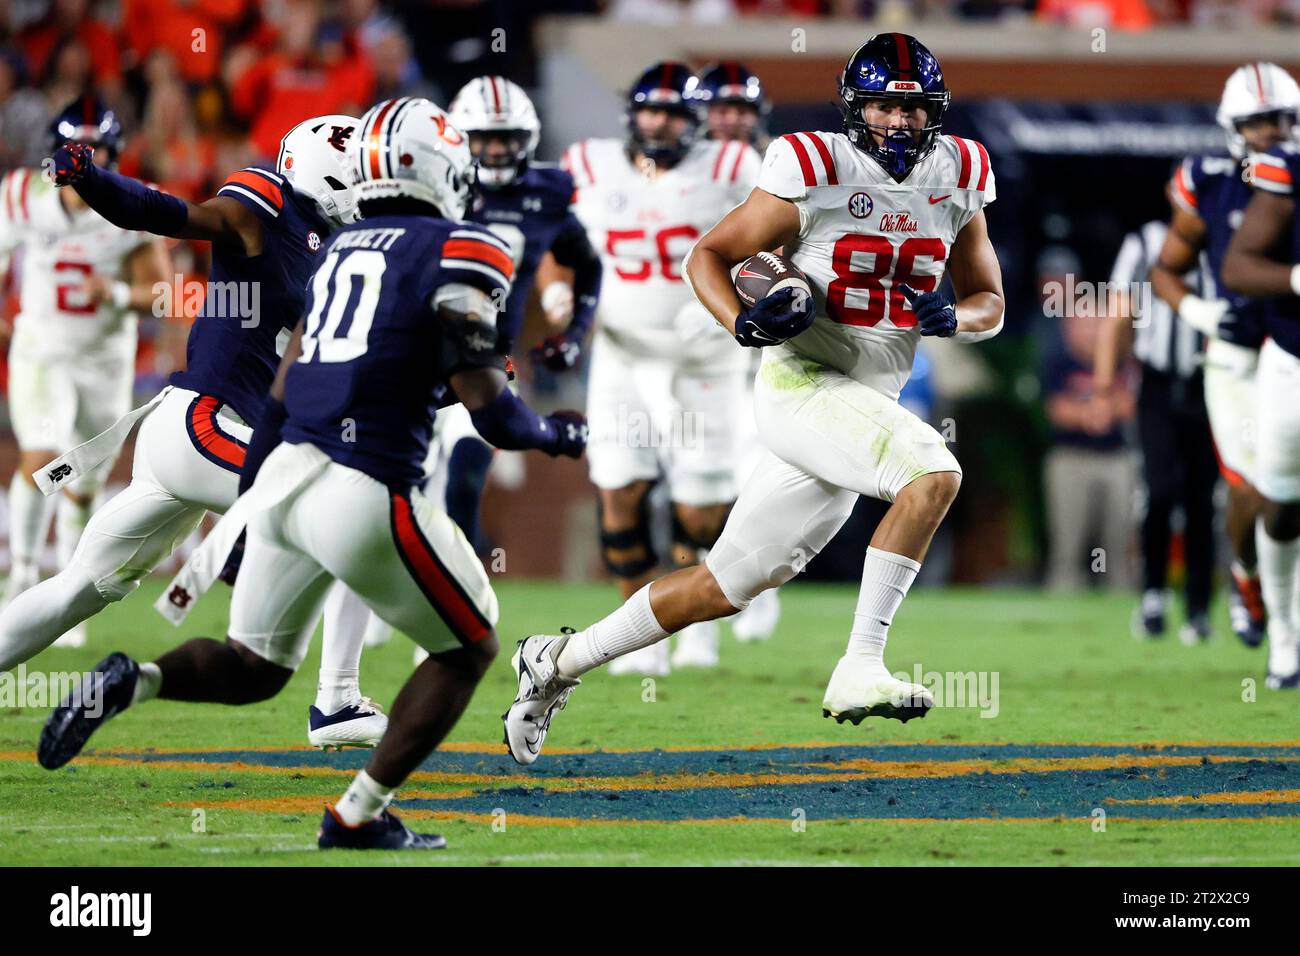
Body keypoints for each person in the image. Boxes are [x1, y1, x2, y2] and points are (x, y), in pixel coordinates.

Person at [38, 98, 588, 852]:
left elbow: (282, 388)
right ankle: (353, 792)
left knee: (247, 662)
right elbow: (489, 408)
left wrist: (258, 499)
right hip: (319, 464)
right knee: (470, 647)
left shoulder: (340, 251)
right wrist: (556, 433)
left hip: (276, 454)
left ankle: (139, 678)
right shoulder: (449, 245)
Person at [503, 33, 1005, 764]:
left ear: (935, 113)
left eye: (912, 110)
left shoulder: (961, 171)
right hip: (802, 383)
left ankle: (554, 662)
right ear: (853, 108)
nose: (898, 124)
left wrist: (957, 318)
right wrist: (739, 320)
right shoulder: (814, 164)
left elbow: (990, 298)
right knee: (934, 474)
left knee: (724, 584)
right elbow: (707, 253)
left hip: (863, 401)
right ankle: (860, 664)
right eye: (882, 107)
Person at [0, 114, 388, 749]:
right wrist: (94, 179)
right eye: (360, 175)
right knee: (355, 512)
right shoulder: (268, 203)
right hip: (204, 421)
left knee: (77, 590)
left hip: (195, 438)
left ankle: (254, 649)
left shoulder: (336, 244)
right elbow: (170, 213)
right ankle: (337, 701)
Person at [563, 61, 761, 673]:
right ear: (632, 111)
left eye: (675, 113)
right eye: (652, 109)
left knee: (700, 508)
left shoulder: (732, 168)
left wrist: (736, 298)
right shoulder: (588, 164)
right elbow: (554, 243)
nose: (660, 122)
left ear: (696, 123)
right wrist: (557, 300)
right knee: (618, 489)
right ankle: (634, 638)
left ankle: (693, 623)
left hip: (705, 354)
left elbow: (775, 243)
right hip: (623, 352)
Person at [0, 97, 172, 648]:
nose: (85, 165)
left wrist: (119, 292)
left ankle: (66, 596)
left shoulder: (132, 210)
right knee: (41, 456)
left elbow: (167, 295)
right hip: (42, 350)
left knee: (82, 482)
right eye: (77, 152)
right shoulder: (24, 197)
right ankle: (23, 573)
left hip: (104, 360)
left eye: (97, 153)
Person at [1151, 62, 1300, 648]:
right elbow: (1166, 269)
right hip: (1238, 353)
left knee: (1285, 490)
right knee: (1247, 489)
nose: (1274, 132)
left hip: (1287, 351)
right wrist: (1202, 313)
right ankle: (1245, 575)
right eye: (1259, 122)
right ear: (1234, 128)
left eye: (1284, 119)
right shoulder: (1211, 181)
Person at [1096, 217, 1215, 640]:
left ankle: (1199, 608)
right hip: (1157, 386)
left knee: (1202, 499)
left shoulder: (1221, 237)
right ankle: (1153, 596)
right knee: (1159, 491)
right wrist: (1105, 380)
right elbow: (1119, 311)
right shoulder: (1144, 243)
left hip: (1210, 383)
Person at [694, 60, 780, 643]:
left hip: (763, 340)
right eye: (721, 108)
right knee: (698, 479)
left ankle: (758, 585)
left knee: (757, 472)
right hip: (695, 339)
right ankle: (706, 599)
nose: (730, 120)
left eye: (740, 110)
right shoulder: (679, 168)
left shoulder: (778, 166)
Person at [1222, 114, 1300, 689]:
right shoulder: (1287, 175)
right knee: (1281, 501)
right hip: (1291, 363)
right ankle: (1284, 635)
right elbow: (1238, 265)